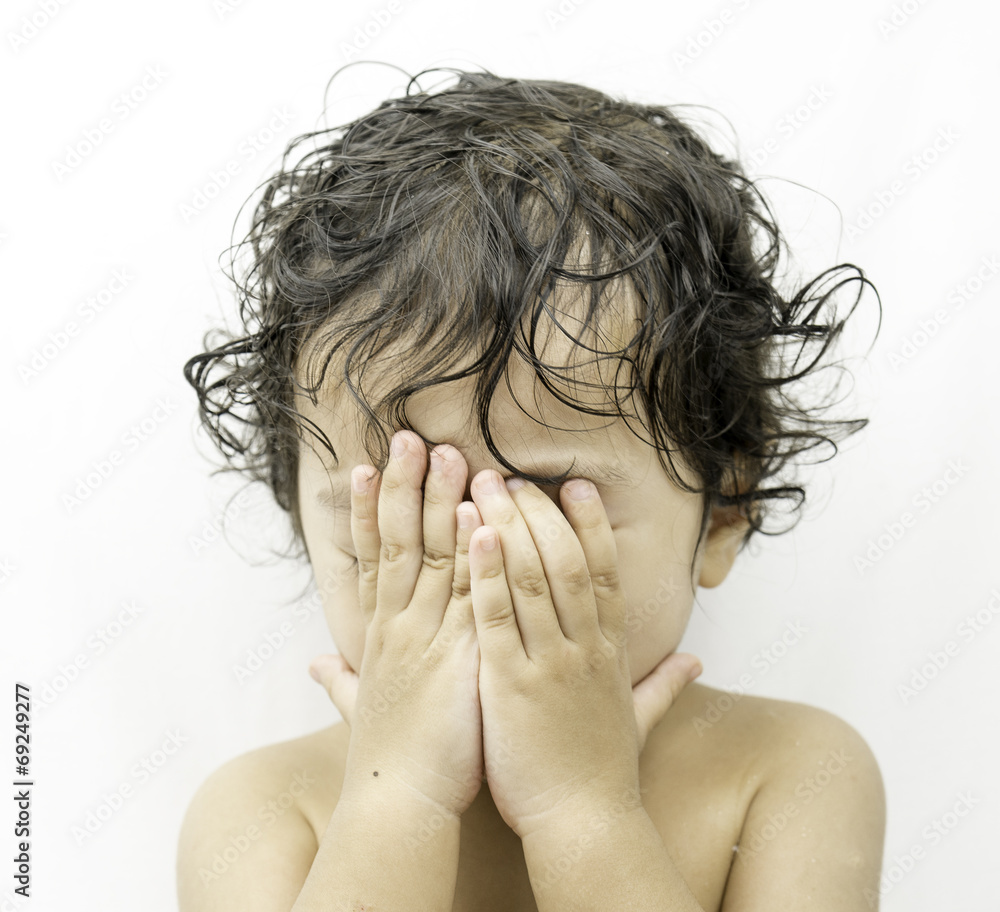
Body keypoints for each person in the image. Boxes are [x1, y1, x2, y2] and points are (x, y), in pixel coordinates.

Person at [178, 68, 886, 911]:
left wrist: (584, 812)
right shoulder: (265, 812)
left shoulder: (790, 775)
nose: (476, 566)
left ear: (725, 509)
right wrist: (396, 797)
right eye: (397, 514)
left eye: (545, 501)